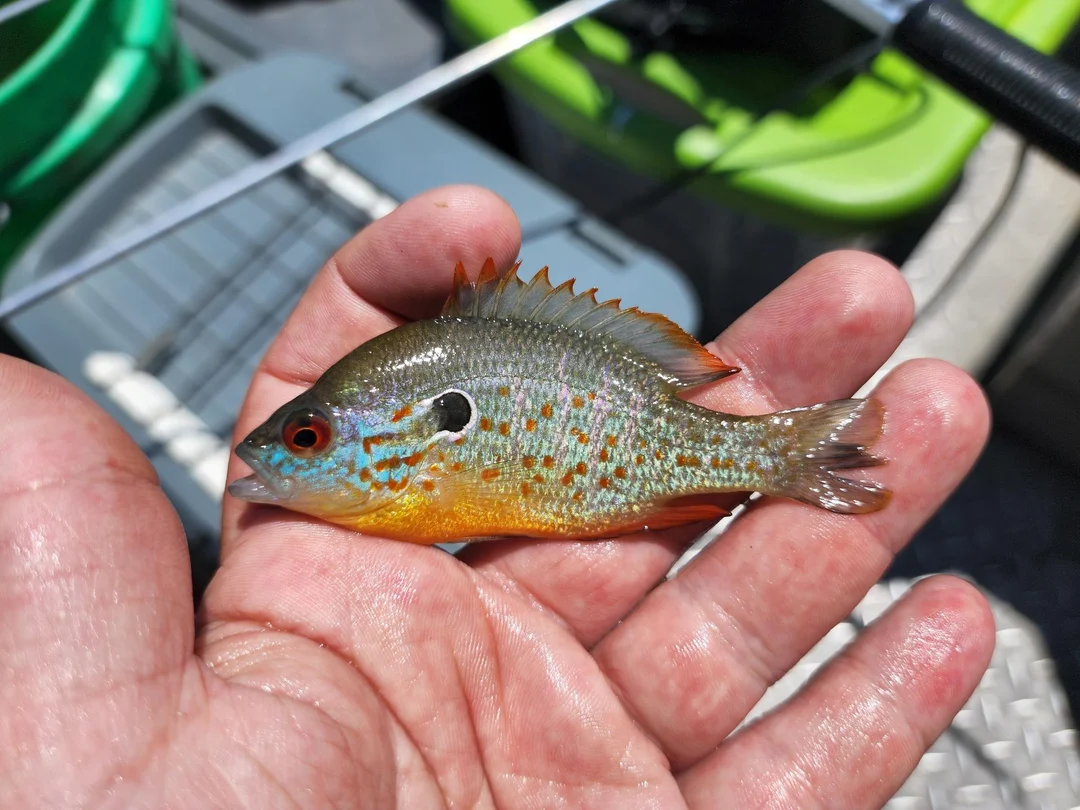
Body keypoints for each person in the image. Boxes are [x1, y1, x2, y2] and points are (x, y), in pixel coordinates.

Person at [0, 186, 993, 808]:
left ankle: (785, 454)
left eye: (306, 440)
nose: (274, 462)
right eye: (300, 439)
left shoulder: (410, 480)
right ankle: (785, 454)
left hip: (635, 457)